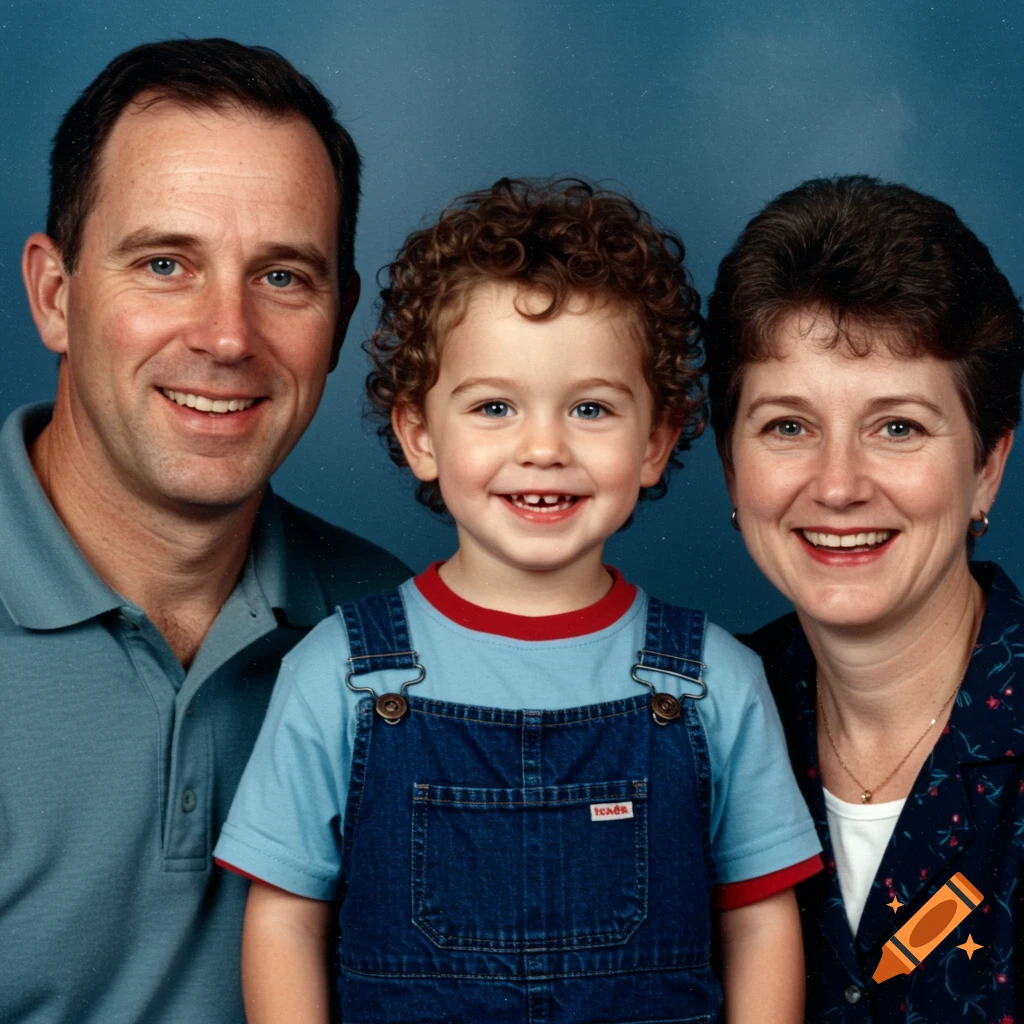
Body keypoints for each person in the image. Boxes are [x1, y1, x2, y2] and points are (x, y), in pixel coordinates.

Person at [215, 177, 823, 1024]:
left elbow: (759, 921)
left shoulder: (714, 680)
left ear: (655, 440)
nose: (543, 447)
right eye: (495, 407)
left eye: (590, 408)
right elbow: (284, 919)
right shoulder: (339, 675)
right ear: (420, 434)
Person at [1, 38, 409, 1024]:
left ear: (340, 318)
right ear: (56, 295)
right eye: (166, 262)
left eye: (283, 278)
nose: (227, 336)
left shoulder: (394, 639)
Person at [705, 174, 1024, 1021]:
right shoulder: (682, 726)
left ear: (988, 463)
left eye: (898, 427)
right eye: (788, 426)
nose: (838, 486)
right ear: (732, 468)